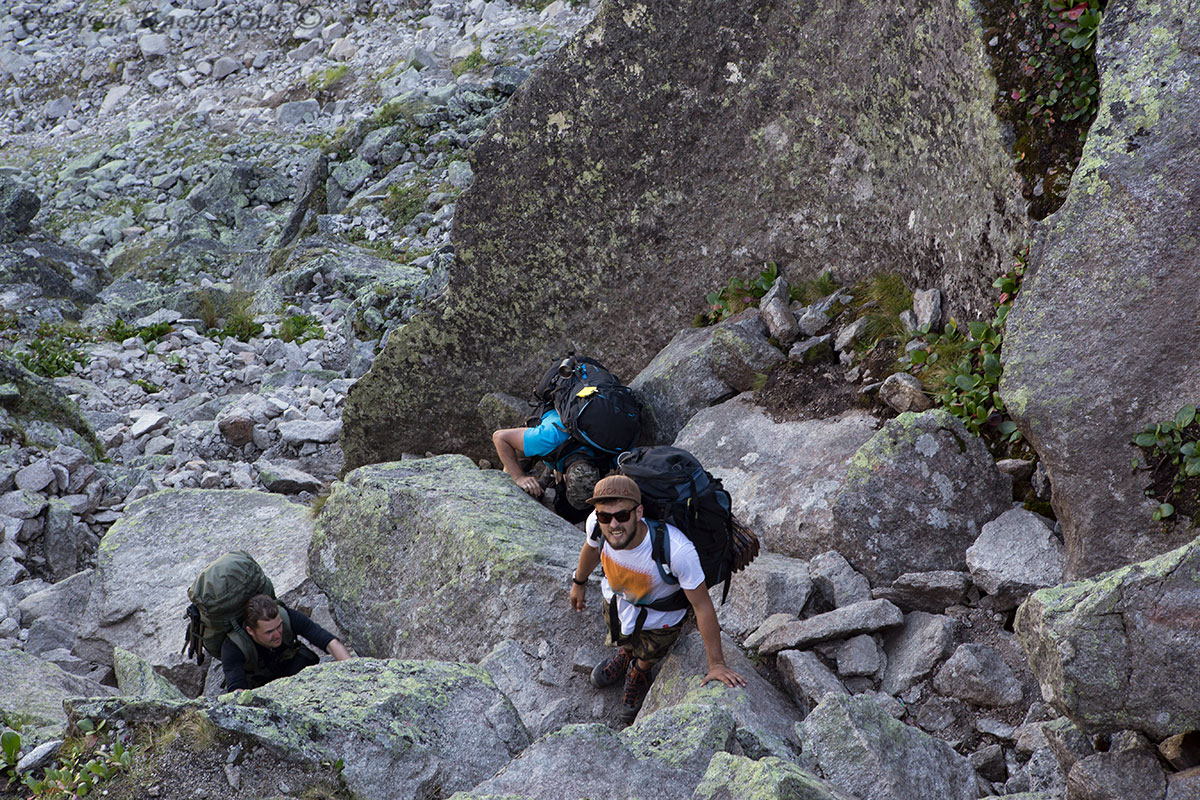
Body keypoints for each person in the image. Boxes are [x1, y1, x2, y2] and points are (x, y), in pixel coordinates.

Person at [568, 475, 746, 723]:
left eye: (622, 515)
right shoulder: (595, 523)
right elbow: (590, 547)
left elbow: (702, 605)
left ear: (639, 512)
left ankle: (640, 670)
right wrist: (579, 582)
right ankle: (626, 655)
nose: (613, 525)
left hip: (661, 621)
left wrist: (716, 663)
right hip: (617, 603)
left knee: (650, 651)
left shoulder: (675, 549)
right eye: (605, 516)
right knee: (623, 636)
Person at [221, 594, 352, 691]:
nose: (277, 634)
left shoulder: (288, 616)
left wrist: (353, 671)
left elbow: (329, 642)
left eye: (279, 626)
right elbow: (236, 690)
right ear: (250, 631)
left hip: (293, 671)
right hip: (261, 688)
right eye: (269, 632)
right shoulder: (233, 647)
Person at [492, 409, 602, 522]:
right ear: (565, 477)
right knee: (510, 478)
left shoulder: (606, 449)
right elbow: (500, 437)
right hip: (546, 430)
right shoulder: (549, 438)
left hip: (572, 442)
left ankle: (546, 486)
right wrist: (519, 477)